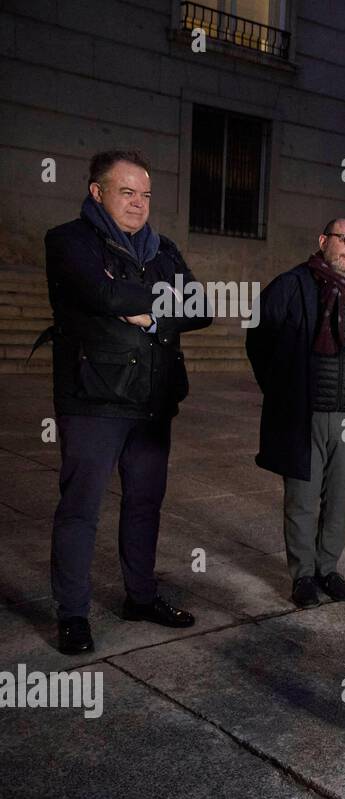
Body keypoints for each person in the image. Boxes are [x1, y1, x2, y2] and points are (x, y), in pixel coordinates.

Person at [42, 150, 208, 655]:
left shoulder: (163, 248)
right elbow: (101, 295)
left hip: (153, 399)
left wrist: (147, 313)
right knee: (80, 510)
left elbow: (200, 306)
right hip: (93, 397)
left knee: (144, 504)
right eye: (127, 192)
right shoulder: (68, 240)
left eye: (145, 194)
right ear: (98, 193)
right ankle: (73, 614)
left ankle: (141, 597)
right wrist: (157, 298)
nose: (139, 203)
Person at [246, 219, 345, 608]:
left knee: (339, 499)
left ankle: (328, 569)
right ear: (323, 241)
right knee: (302, 500)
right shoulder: (291, 285)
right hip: (304, 413)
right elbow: (258, 337)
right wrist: (281, 389)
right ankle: (303, 575)